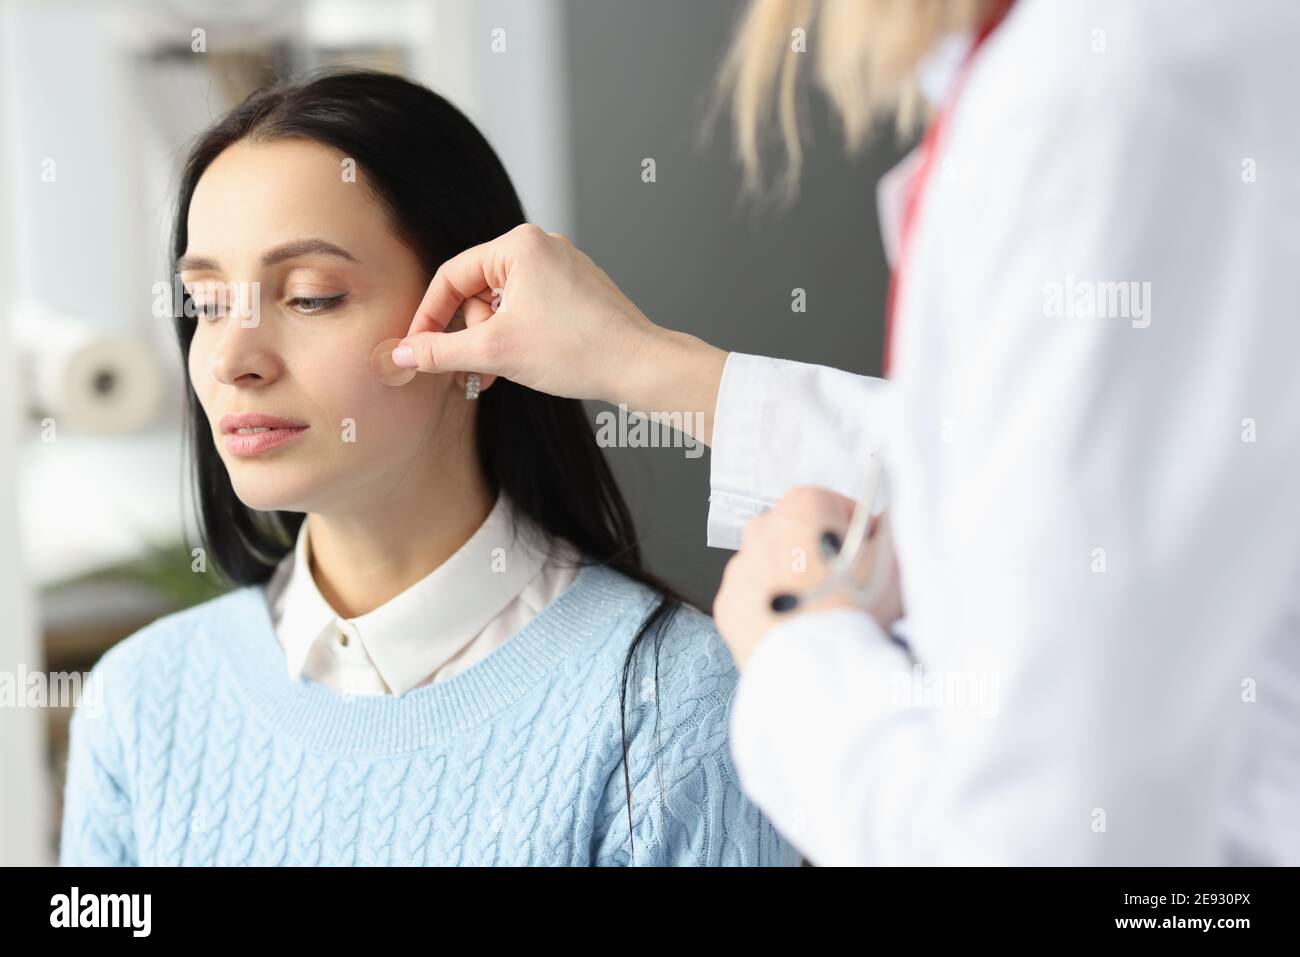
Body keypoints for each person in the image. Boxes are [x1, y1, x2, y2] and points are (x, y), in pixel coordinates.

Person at [389, 0, 1300, 864]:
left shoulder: (1105, 100)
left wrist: (797, 651)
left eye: (322, 295)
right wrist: (637, 360)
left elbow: (1042, 840)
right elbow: (1027, 469)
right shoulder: (1096, 81)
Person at [58, 69, 799, 867]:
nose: (231, 358)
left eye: (309, 296)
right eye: (206, 304)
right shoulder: (139, 701)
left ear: (476, 325)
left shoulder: (666, 704)